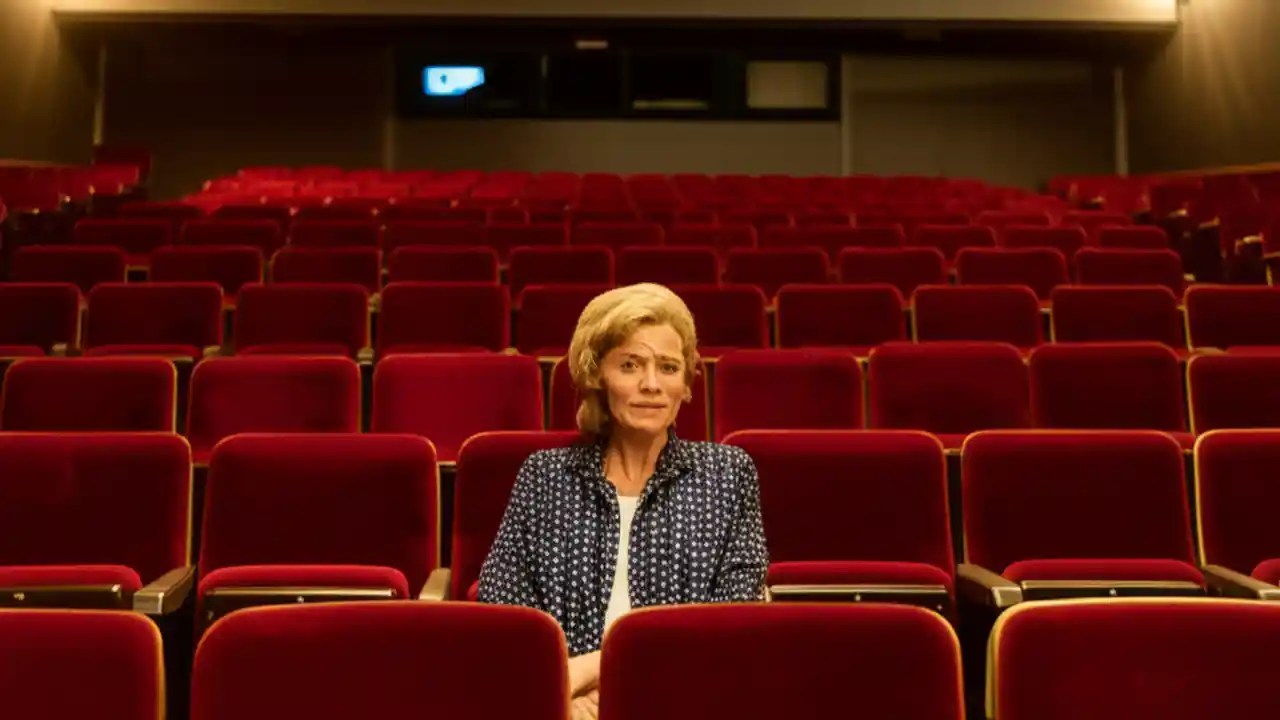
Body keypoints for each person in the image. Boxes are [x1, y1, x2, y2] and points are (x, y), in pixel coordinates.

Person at [478, 283, 768, 719]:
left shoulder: (727, 474)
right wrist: (562, 701)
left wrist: (583, 673)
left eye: (668, 368)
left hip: (685, 704)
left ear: (686, 384)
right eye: (631, 365)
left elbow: (732, 624)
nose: (651, 384)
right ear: (598, 375)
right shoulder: (544, 478)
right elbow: (505, 619)